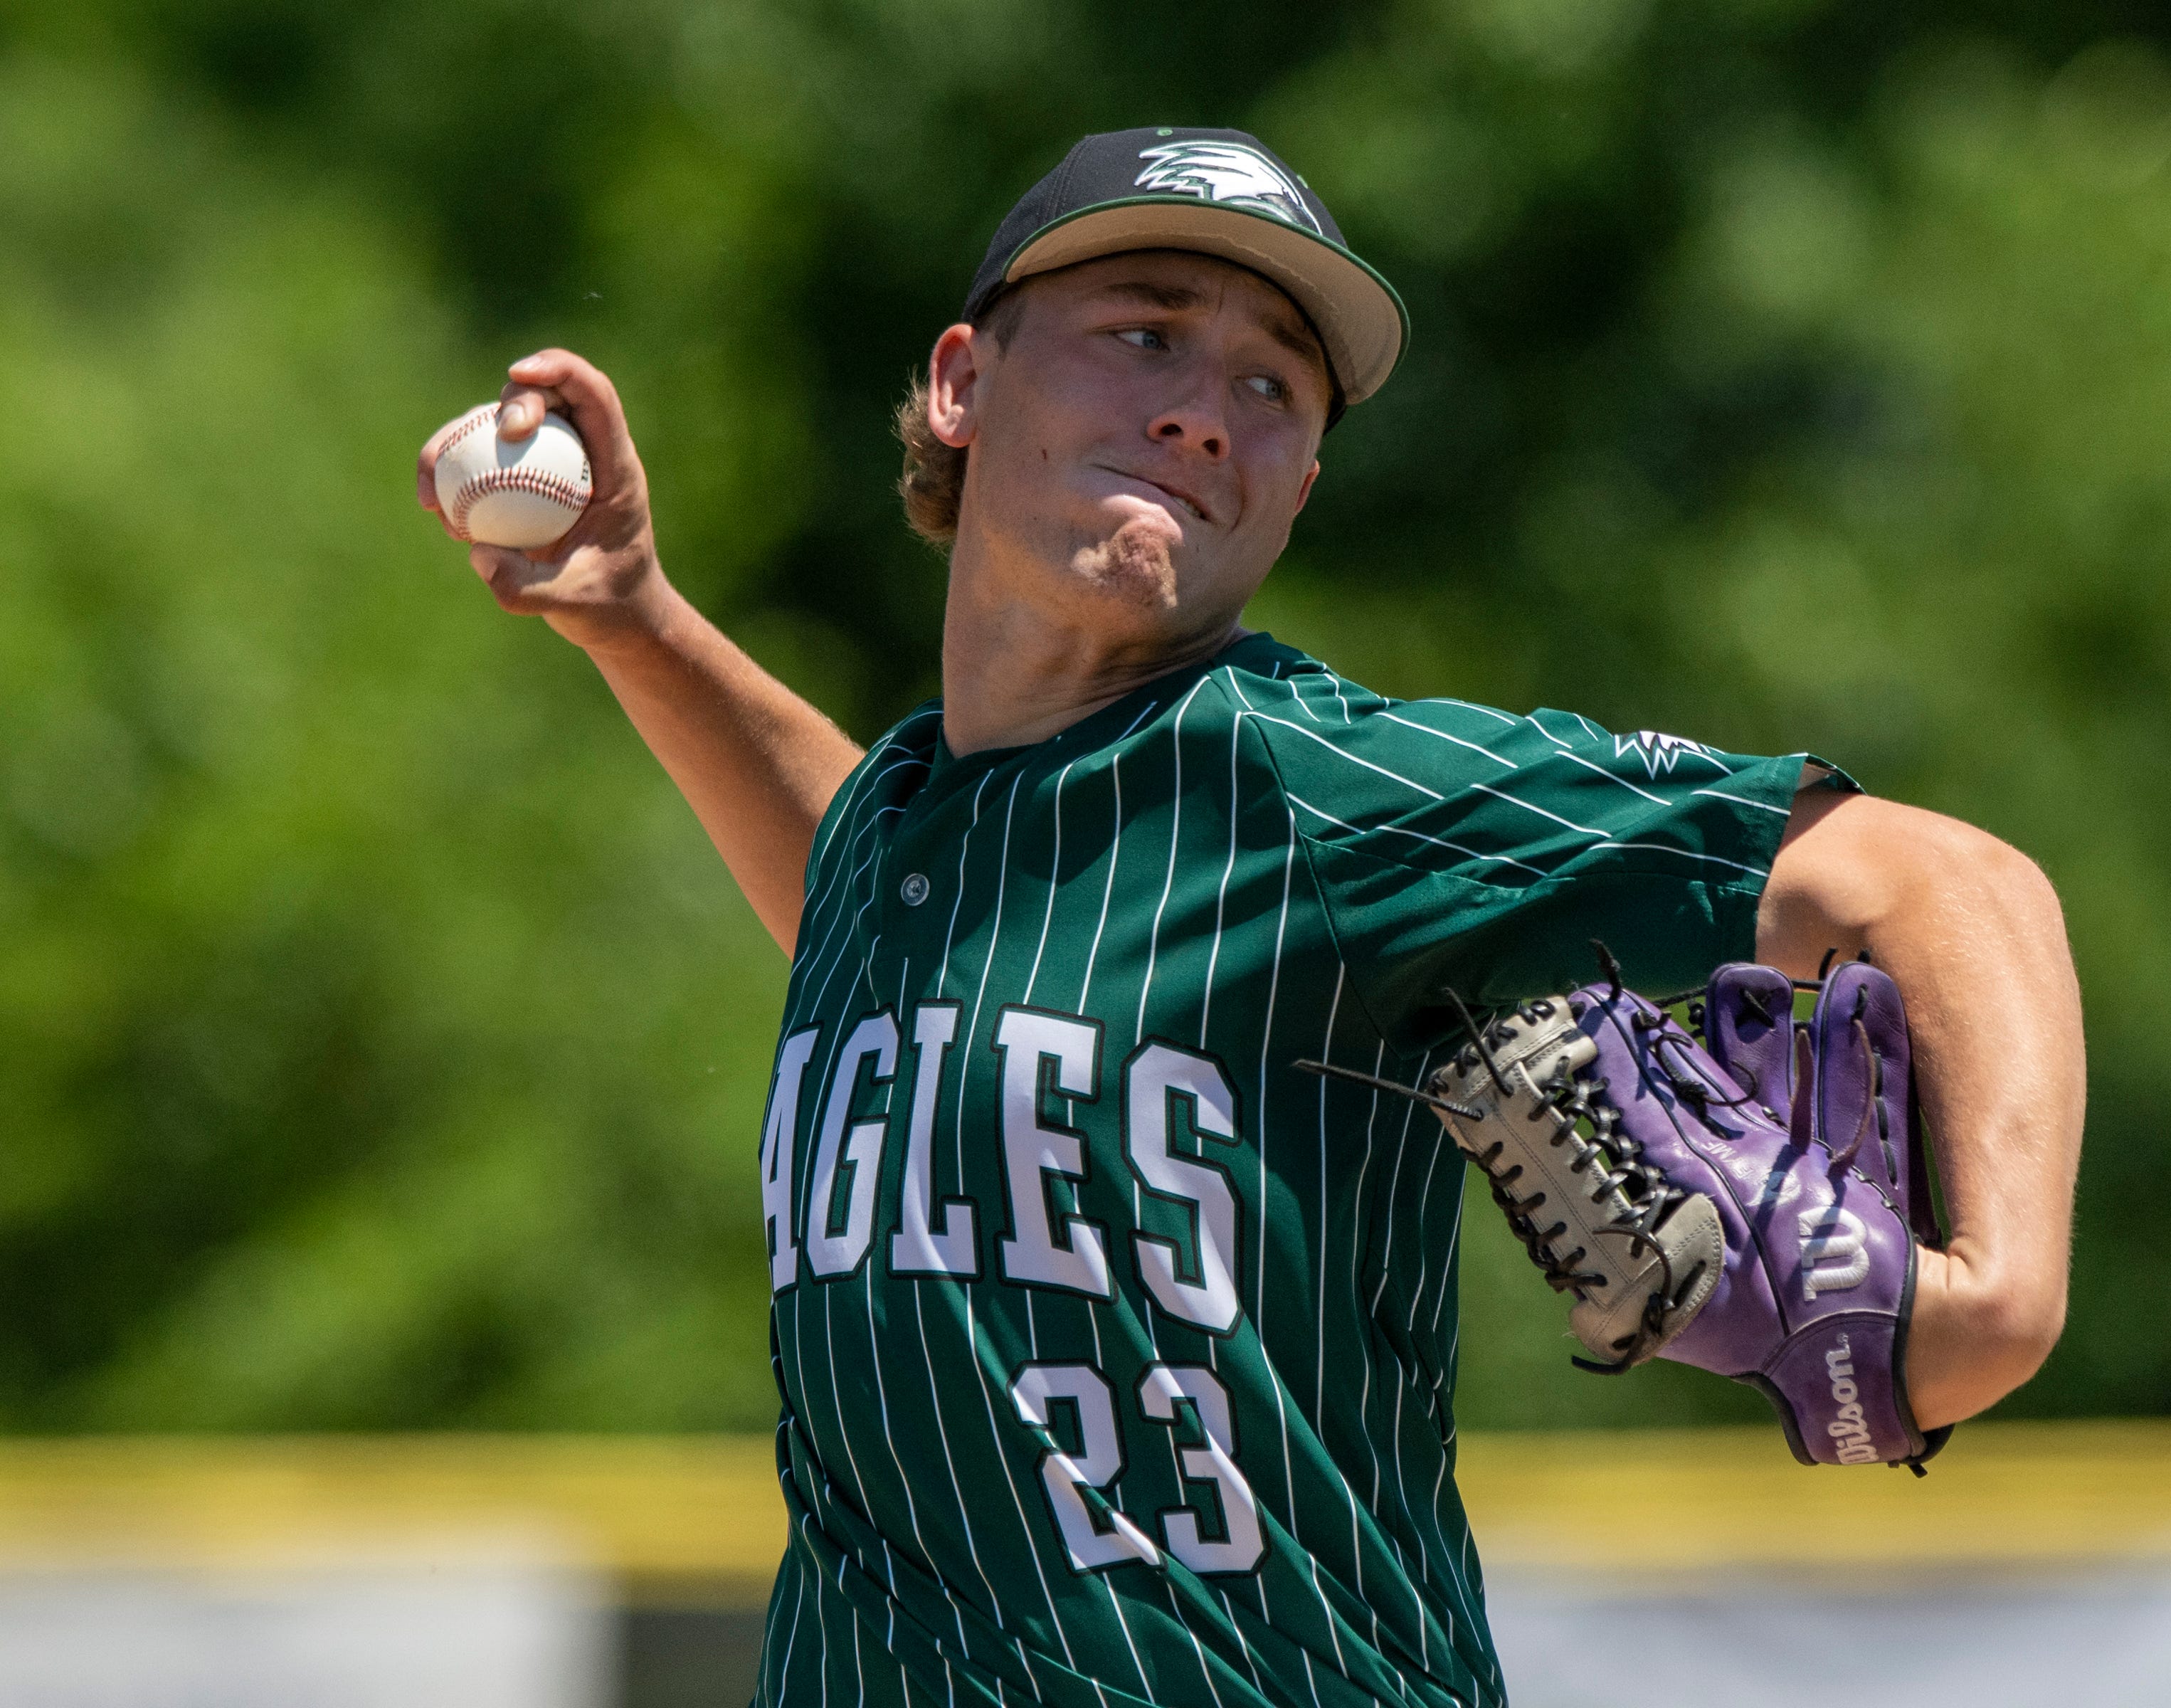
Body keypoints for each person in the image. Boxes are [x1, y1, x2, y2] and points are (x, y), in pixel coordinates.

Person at [417, 126, 2083, 1708]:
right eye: (1142, 335)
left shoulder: (1315, 786)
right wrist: (634, 620)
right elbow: (904, 936)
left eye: (1270, 387)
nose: (1205, 409)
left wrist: (1991, 1299)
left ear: (1290, 495)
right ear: (961, 384)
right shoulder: (910, 833)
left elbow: (1946, 881)